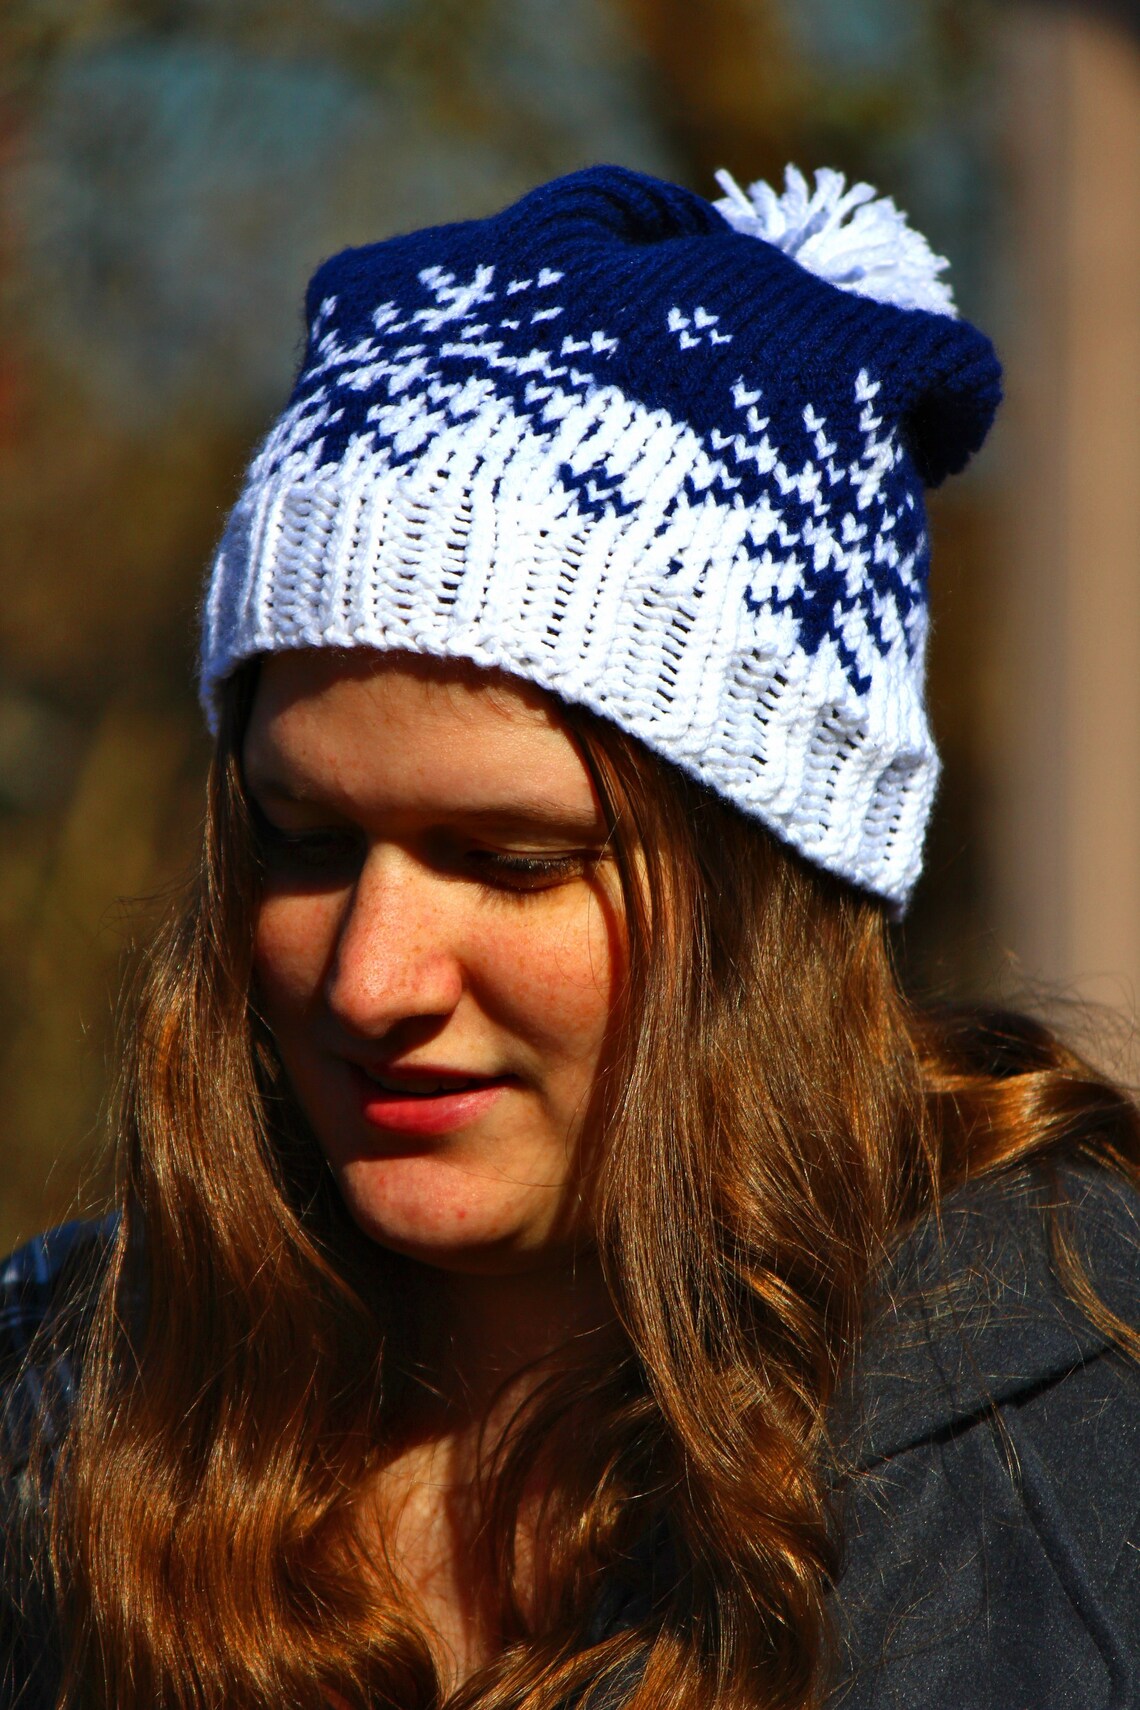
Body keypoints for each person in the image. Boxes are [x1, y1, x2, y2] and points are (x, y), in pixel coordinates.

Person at [2, 162, 1139, 1710]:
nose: (370, 974)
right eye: (305, 840)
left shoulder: (1067, 1451)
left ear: (774, 887)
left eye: (515, 860)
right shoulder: (59, 1422)